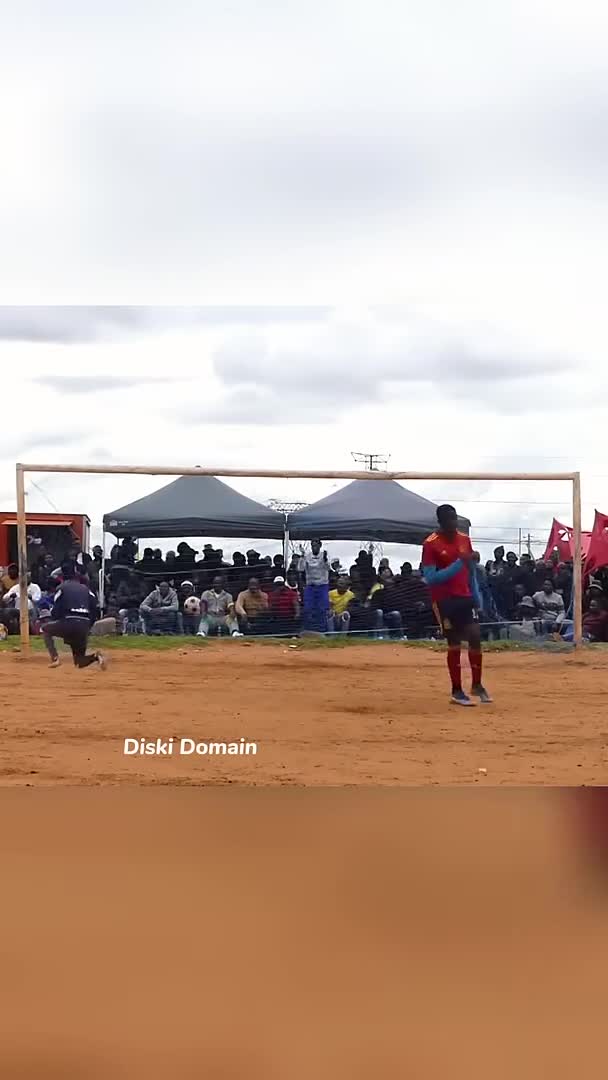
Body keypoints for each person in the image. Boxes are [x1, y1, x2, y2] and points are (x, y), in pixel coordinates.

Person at [422, 505, 492, 706]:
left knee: (475, 636)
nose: (454, 523)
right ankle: (457, 691)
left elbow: (470, 571)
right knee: (454, 643)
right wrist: (458, 563)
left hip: (465, 596)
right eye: (450, 520)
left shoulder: (464, 539)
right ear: (440, 522)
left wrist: (477, 598)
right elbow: (431, 578)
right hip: (444, 599)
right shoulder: (430, 544)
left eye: (455, 519)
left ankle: (477, 684)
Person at [42, 562, 106, 670]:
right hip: (84, 625)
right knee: (79, 662)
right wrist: (88, 625)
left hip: (69, 623)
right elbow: (95, 607)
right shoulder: (86, 589)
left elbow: (56, 610)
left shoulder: (61, 588)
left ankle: (55, 658)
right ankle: (96, 657)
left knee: (45, 629)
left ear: (62, 576)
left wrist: (58, 621)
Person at [298, 539, 331, 632]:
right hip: (310, 586)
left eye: (316, 546)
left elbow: (329, 568)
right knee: (308, 608)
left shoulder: (325, 554)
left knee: (322, 609)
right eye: (312, 546)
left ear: (320, 546)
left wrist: (325, 560)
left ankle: (322, 630)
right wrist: (302, 556)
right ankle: (308, 629)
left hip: (322, 586)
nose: (314, 548)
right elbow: (300, 569)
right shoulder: (307, 556)